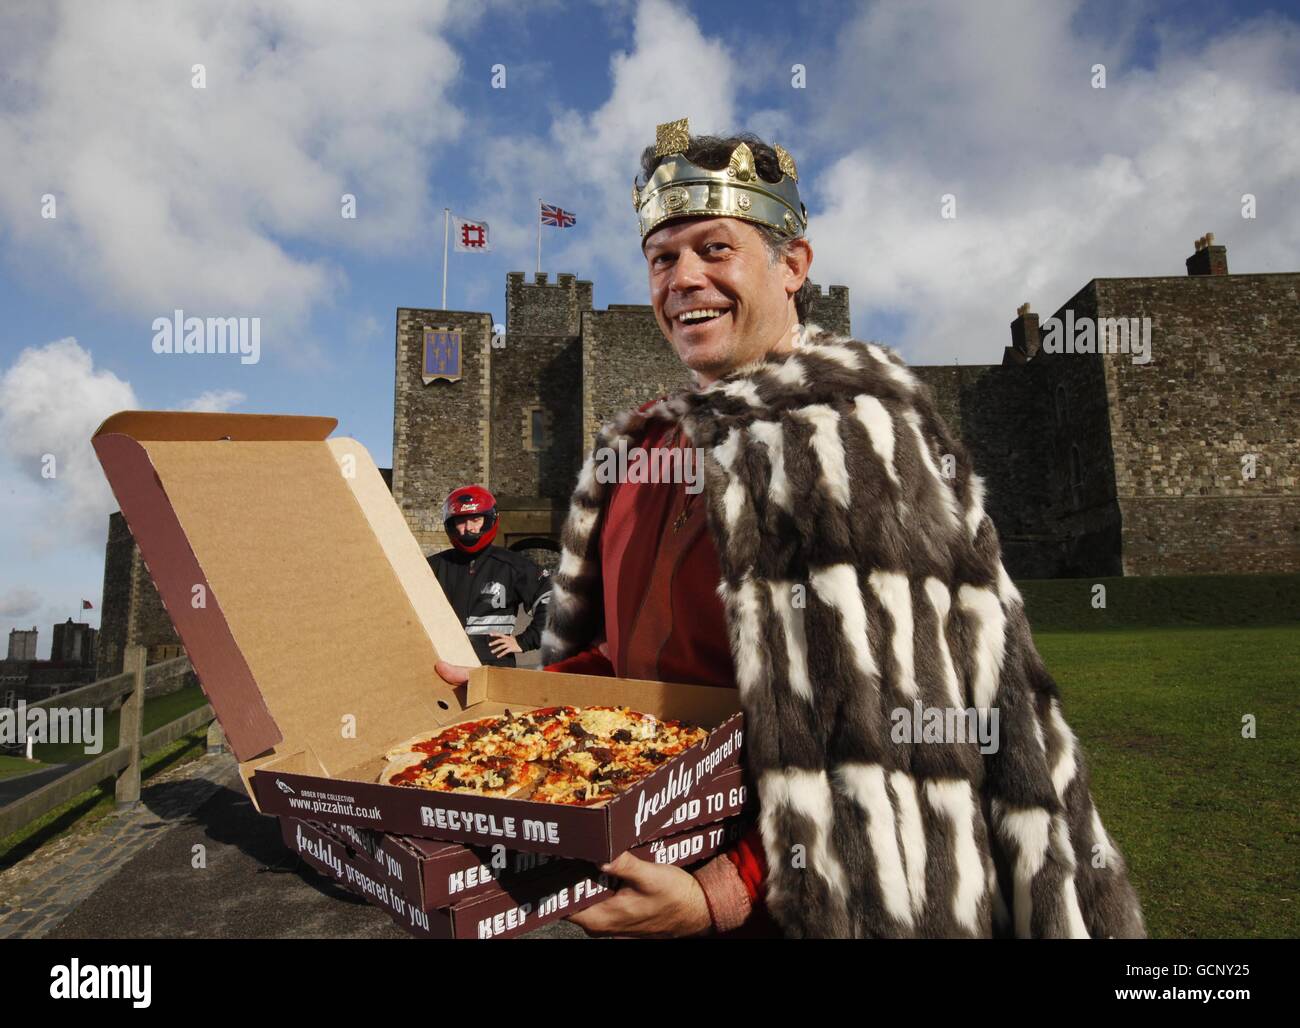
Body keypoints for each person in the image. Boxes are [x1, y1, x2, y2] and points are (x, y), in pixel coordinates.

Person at [435, 117, 1146, 939]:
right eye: (663, 259)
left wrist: (720, 894)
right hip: (643, 858)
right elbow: (630, 663)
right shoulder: (641, 451)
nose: (683, 280)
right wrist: (491, 699)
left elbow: (895, 729)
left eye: (715, 249)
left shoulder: (852, 437)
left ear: (794, 265)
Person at [428, 484, 551, 668]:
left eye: (475, 519)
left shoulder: (512, 566)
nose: (468, 528)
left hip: (494, 668)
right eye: (460, 521)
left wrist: (525, 641)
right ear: (451, 524)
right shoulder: (433, 566)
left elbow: (555, 601)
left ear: (488, 520)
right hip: (441, 663)